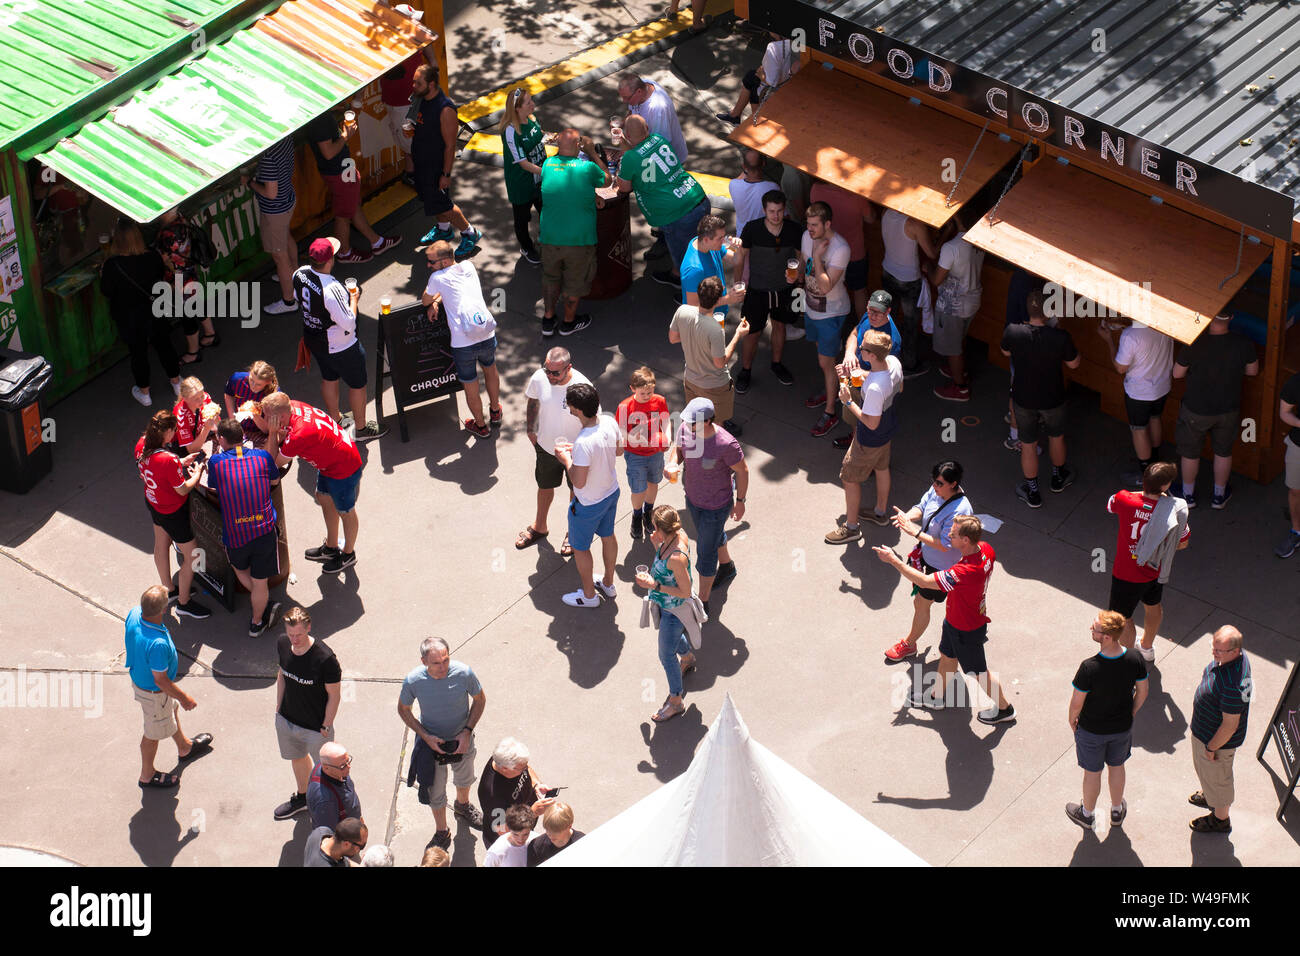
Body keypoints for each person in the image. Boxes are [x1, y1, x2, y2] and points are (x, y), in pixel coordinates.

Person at [874, 515, 1015, 723]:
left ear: (966, 540)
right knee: (947, 656)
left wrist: (893, 560)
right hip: (957, 620)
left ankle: (1005, 709)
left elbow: (922, 580)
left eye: (954, 533)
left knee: (978, 673)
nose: (949, 534)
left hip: (966, 629)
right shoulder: (985, 549)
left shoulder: (963, 572)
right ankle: (936, 697)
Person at [294, 236, 388, 441]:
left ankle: (335, 418)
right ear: (330, 261)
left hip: (314, 338)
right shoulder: (332, 289)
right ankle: (361, 429)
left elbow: (297, 298)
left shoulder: (299, 273)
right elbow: (349, 322)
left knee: (329, 377)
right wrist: (353, 299)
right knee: (358, 384)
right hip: (341, 345)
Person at [881, 460, 974, 662]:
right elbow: (922, 507)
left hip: (943, 567)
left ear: (953, 483)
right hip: (928, 558)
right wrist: (907, 517)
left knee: (922, 603)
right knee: (931, 601)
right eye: (934, 481)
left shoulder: (960, 510)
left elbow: (946, 545)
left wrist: (915, 532)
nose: (934, 486)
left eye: (940, 483)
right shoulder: (938, 491)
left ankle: (909, 644)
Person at [263, 391, 366, 575]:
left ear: (282, 416)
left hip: (344, 469)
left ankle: (349, 554)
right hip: (332, 461)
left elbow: (272, 463)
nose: (265, 419)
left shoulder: (298, 435)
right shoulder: (292, 404)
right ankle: (331, 547)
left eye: (269, 417)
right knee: (323, 497)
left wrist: (272, 433)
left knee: (346, 511)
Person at [398, 637, 486, 850]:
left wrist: (466, 732)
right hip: (431, 746)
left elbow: (480, 699)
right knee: (436, 793)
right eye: (436, 663)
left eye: (446, 660)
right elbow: (403, 709)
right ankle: (442, 831)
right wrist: (426, 736)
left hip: (462, 739)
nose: (443, 667)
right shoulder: (413, 681)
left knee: (464, 779)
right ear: (423, 661)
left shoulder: (464, 673)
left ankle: (462, 806)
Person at [1065, 610, 1149, 830]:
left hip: (1092, 731)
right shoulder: (1135, 658)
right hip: (1121, 728)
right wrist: (1131, 712)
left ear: (1107, 637)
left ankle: (1087, 814)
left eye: (1095, 628)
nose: (1091, 629)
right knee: (1117, 766)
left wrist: (1072, 720)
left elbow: (1076, 703)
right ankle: (1116, 810)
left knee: (1092, 772)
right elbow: (1143, 691)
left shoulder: (1089, 667)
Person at [126, 585, 213, 789]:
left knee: (169, 709)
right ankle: (147, 775)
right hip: (155, 693)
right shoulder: (157, 645)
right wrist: (185, 698)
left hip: (143, 682)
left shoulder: (134, 614)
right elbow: (161, 681)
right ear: (163, 610)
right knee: (152, 733)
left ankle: (184, 747)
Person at [1001, 288, 1081, 507]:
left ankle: (1033, 491)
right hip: (1053, 398)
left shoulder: (1013, 331)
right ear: (1049, 311)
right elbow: (1074, 363)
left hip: (1023, 398)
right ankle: (1057, 478)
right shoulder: (1060, 337)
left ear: (1027, 310)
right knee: (1057, 438)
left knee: (1028, 444)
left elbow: (1006, 352)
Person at [1172, 312, 1260, 509]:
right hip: (1228, 409)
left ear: (1208, 317)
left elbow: (1177, 374)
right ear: (1231, 318)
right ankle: (1219, 496)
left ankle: (1188, 495)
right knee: (1223, 452)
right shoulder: (1243, 343)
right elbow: (1253, 371)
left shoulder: (1193, 342)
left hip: (1196, 409)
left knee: (1190, 452)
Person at [667, 398, 747, 612]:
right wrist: (673, 462)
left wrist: (740, 501)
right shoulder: (685, 429)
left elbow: (742, 471)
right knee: (710, 536)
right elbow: (679, 448)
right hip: (693, 498)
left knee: (705, 553)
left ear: (708, 421)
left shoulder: (726, 443)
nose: (687, 425)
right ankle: (728, 567)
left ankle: (702, 601)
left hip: (716, 505)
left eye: (693, 422)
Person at [1106, 461, 1190, 661]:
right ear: (1166, 486)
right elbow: (1182, 544)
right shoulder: (1174, 511)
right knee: (1153, 606)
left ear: (1143, 480)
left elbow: (1110, 505)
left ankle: (1129, 661)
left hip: (1125, 573)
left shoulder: (1124, 499)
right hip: (1154, 571)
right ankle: (1146, 648)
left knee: (1123, 618)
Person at [207, 418, 282, 637]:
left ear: (221, 440)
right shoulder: (262, 456)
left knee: (240, 569)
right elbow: (274, 483)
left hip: (236, 535)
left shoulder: (216, 462)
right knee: (261, 582)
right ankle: (256, 623)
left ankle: (263, 600)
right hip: (265, 530)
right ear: (243, 436)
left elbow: (213, 486)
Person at [826, 329, 902, 542]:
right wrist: (856, 373)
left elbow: (870, 421)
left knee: (849, 478)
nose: (859, 349)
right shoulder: (894, 363)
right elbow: (898, 386)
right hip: (888, 430)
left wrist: (848, 401)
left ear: (872, 356)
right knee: (881, 468)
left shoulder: (875, 388)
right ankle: (879, 513)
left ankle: (851, 528)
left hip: (869, 438)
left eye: (864, 348)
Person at [615, 115, 708, 284]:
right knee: (700, 247)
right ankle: (677, 273)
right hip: (696, 196)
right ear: (648, 129)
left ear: (627, 136)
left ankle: (683, 284)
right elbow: (643, 155)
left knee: (685, 256)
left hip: (676, 214)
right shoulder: (659, 139)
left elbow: (624, 187)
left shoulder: (630, 158)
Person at [134, 411, 210, 620]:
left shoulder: (141, 444)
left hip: (153, 502)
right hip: (173, 512)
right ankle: (184, 603)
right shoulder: (167, 460)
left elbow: (155, 470)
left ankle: (169, 588)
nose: (175, 435)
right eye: (173, 431)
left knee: (161, 544)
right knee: (193, 556)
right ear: (166, 432)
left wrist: (180, 461)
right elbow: (183, 490)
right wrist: (197, 474)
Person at [421, 240, 501, 437]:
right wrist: (439, 299)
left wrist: (434, 301)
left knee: (470, 385)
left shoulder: (436, 277)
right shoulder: (468, 266)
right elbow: (454, 290)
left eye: (431, 262)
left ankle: (481, 426)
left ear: (445, 261)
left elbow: (425, 299)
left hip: (463, 343)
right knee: (490, 370)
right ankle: (495, 411)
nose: (428, 265)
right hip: (486, 332)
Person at [517, 348, 591, 556]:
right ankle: (540, 526)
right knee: (544, 486)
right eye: (547, 370)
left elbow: (593, 420)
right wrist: (530, 428)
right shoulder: (540, 378)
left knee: (575, 493)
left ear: (569, 368)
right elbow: (533, 401)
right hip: (546, 447)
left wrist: (583, 449)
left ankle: (573, 533)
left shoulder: (583, 387)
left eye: (555, 373)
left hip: (575, 452)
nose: (549, 376)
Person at [554, 382, 621, 608]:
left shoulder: (583, 442)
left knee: (580, 547)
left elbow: (578, 481)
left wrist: (566, 459)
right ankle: (608, 583)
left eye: (570, 406)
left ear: (578, 410)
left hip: (589, 503)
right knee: (608, 535)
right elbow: (619, 450)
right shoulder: (610, 422)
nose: (569, 409)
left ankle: (590, 596)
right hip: (611, 492)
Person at [273, 606, 342, 821]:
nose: (294, 639)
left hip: (316, 727)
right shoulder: (283, 643)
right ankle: (303, 797)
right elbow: (282, 674)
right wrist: (278, 709)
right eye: (291, 634)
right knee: (297, 759)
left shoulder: (326, 659)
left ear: (309, 627)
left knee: (327, 770)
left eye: (299, 634)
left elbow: (334, 696)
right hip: (287, 720)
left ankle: (332, 810)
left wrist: (326, 726)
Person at [304, 108, 399, 263]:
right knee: (343, 214)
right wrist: (346, 136)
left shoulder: (322, 115)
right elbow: (328, 153)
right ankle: (344, 253)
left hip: (342, 170)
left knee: (352, 206)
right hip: (338, 173)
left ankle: (377, 242)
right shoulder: (319, 121)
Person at [538, 128, 608, 336]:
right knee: (574, 284)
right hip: (579, 240)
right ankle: (569, 322)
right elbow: (607, 180)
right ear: (579, 146)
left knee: (550, 278)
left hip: (549, 238)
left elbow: (563, 191)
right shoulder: (587, 167)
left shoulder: (548, 165)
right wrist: (593, 152)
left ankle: (548, 319)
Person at [101, 218, 177, 406]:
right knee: (164, 345)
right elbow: (160, 277)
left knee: (138, 353)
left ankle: (145, 393)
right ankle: (176, 382)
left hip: (130, 317)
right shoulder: (152, 257)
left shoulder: (113, 265)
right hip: (155, 310)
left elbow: (107, 291)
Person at [635, 504, 699, 722]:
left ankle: (675, 701)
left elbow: (685, 591)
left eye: (654, 527)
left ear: (661, 528)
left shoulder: (676, 556)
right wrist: (657, 545)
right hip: (666, 606)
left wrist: (654, 585)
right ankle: (688, 658)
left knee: (665, 655)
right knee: (671, 639)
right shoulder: (675, 537)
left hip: (674, 610)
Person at [733, 189, 801, 393]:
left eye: (779, 211)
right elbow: (740, 256)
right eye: (771, 211)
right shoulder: (752, 229)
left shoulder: (794, 230)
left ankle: (777, 364)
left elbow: (801, 258)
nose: (776, 216)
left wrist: (797, 276)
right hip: (757, 290)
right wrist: (737, 283)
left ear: (784, 209)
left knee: (780, 327)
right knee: (752, 332)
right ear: (764, 210)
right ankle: (745, 370)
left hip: (784, 289)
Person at [409, 63, 480, 257]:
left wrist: (446, 174)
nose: (413, 86)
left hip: (436, 167)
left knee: (444, 205)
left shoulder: (445, 109)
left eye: (418, 83)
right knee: (432, 202)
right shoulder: (421, 99)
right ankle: (443, 229)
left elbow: (450, 146)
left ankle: (470, 233)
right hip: (422, 164)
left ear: (431, 84)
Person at [1188, 626, 1251, 833]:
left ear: (1235, 651)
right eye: (1213, 647)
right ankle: (1210, 793)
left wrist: (1211, 747)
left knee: (1219, 780)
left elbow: (1229, 726)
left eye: (1219, 651)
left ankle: (1220, 819)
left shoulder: (1233, 684)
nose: (1213, 654)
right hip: (1205, 732)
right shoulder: (1230, 659)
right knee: (1209, 774)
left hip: (1216, 742)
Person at [1097, 318, 1175, 485]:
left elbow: (1120, 367)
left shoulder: (1130, 335)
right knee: (1155, 419)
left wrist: (1109, 341)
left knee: (1139, 430)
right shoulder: (1167, 324)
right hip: (1162, 387)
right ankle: (1154, 461)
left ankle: (1146, 474)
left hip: (1139, 393)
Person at [669, 276, 748, 436]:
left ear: (698, 293)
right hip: (714, 385)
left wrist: (694, 337)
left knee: (695, 421)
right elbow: (720, 363)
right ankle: (714, 456)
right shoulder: (714, 329)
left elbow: (673, 338)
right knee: (716, 426)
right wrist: (738, 335)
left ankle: (695, 451)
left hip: (691, 379)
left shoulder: (682, 310)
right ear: (718, 299)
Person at [800, 201, 853, 438]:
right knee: (824, 359)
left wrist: (818, 257)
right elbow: (804, 267)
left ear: (827, 224)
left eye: (814, 225)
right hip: (811, 309)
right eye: (808, 225)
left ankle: (831, 411)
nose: (809, 230)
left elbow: (825, 285)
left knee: (826, 362)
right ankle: (830, 389)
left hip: (832, 313)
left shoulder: (840, 248)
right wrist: (795, 275)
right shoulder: (805, 236)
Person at [379, 4, 438, 188]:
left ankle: (412, 172)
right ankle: (417, 174)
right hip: (399, 101)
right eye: (411, 19)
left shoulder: (413, 32)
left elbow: (427, 38)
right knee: (409, 140)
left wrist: (434, 63)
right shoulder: (384, 38)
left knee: (413, 138)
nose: (415, 22)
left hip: (414, 98)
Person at [930, 216, 985, 402]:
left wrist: (926, 268)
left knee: (953, 348)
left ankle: (960, 387)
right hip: (973, 300)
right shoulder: (980, 240)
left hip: (953, 306)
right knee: (959, 338)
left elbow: (936, 279)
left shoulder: (951, 247)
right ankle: (959, 369)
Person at [155, 207, 217, 365]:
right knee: (196, 303)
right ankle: (210, 334)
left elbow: (165, 259)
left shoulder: (168, 233)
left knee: (187, 315)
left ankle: (193, 352)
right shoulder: (181, 219)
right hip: (190, 270)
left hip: (177, 278)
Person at [879, 207, 937, 376]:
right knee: (910, 324)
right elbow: (931, 253)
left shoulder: (886, 213)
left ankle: (886, 357)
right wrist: (945, 236)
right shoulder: (915, 224)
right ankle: (909, 364)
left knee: (890, 318)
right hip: (908, 279)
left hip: (887, 271)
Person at [245, 136, 299, 315]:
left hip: (274, 211)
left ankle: (289, 300)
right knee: (286, 237)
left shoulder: (268, 158)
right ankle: (296, 276)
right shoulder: (286, 138)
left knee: (279, 257)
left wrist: (249, 183)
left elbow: (270, 193)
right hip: (288, 200)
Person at [809, 181, 875, 321]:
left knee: (831, 290)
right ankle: (863, 329)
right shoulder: (858, 197)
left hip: (827, 252)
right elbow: (871, 219)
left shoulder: (816, 189)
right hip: (854, 253)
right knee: (859, 290)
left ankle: (832, 323)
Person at [617, 366, 671, 540]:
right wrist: (633, 438)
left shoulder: (660, 400)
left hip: (655, 453)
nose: (647, 396)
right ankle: (637, 515)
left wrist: (668, 437)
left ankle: (648, 512)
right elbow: (620, 431)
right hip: (636, 455)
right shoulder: (625, 406)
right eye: (643, 393)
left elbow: (666, 420)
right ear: (633, 389)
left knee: (653, 483)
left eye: (650, 392)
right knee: (638, 488)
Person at [499, 86, 549, 264]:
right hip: (521, 183)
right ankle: (526, 247)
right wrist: (547, 171)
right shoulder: (510, 131)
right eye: (528, 102)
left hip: (540, 179)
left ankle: (546, 239)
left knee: (547, 210)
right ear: (517, 108)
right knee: (521, 219)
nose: (533, 104)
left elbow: (539, 136)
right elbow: (522, 163)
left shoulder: (532, 119)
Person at [477, 737, 551, 850]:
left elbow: (527, 768)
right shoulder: (492, 796)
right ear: (505, 768)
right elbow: (502, 830)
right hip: (510, 843)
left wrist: (537, 785)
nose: (525, 769)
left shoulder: (505, 759)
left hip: (524, 825)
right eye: (521, 769)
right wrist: (531, 814)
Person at [716, 31, 797, 124]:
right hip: (790, 84)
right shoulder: (799, 44)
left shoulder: (774, 47)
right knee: (751, 76)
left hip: (775, 89)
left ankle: (754, 120)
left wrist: (761, 74)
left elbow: (772, 82)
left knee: (753, 83)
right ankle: (735, 115)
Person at [618, 72, 688, 167]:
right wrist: (622, 123)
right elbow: (632, 110)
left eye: (627, 98)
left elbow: (660, 144)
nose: (624, 101)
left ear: (639, 92)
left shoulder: (658, 109)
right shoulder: (644, 84)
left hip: (669, 160)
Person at [681, 215, 740, 318]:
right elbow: (693, 307)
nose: (724, 242)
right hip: (704, 323)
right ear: (706, 239)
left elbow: (735, 260)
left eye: (724, 237)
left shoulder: (705, 243)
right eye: (720, 238)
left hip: (718, 314)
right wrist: (727, 299)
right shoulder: (694, 270)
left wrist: (737, 248)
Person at [307, 741, 362, 831]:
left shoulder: (334, 769)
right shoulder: (325, 801)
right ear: (326, 768)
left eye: (348, 761)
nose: (348, 767)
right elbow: (329, 836)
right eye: (343, 766)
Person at [728, 150, 780, 238]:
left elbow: (741, 177)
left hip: (742, 237)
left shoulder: (733, 185)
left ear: (744, 166)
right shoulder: (773, 188)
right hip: (763, 238)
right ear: (763, 164)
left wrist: (746, 169)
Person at [1277, 369, 1300, 557]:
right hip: (1298, 446)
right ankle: (1296, 531)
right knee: (1295, 490)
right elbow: (1284, 413)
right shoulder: (1296, 381)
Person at [526, 801, 585, 866]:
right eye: (547, 829)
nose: (550, 834)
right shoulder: (537, 847)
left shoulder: (582, 842)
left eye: (556, 831)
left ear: (569, 826)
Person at [172, 376, 220, 456]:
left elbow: (217, 424)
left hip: (202, 434)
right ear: (185, 399)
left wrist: (215, 417)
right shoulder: (181, 416)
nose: (201, 401)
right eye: (196, 399)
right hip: (186, 446)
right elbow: (192, 450)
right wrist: (206, 429)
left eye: (201, 396)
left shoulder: (206, 397)